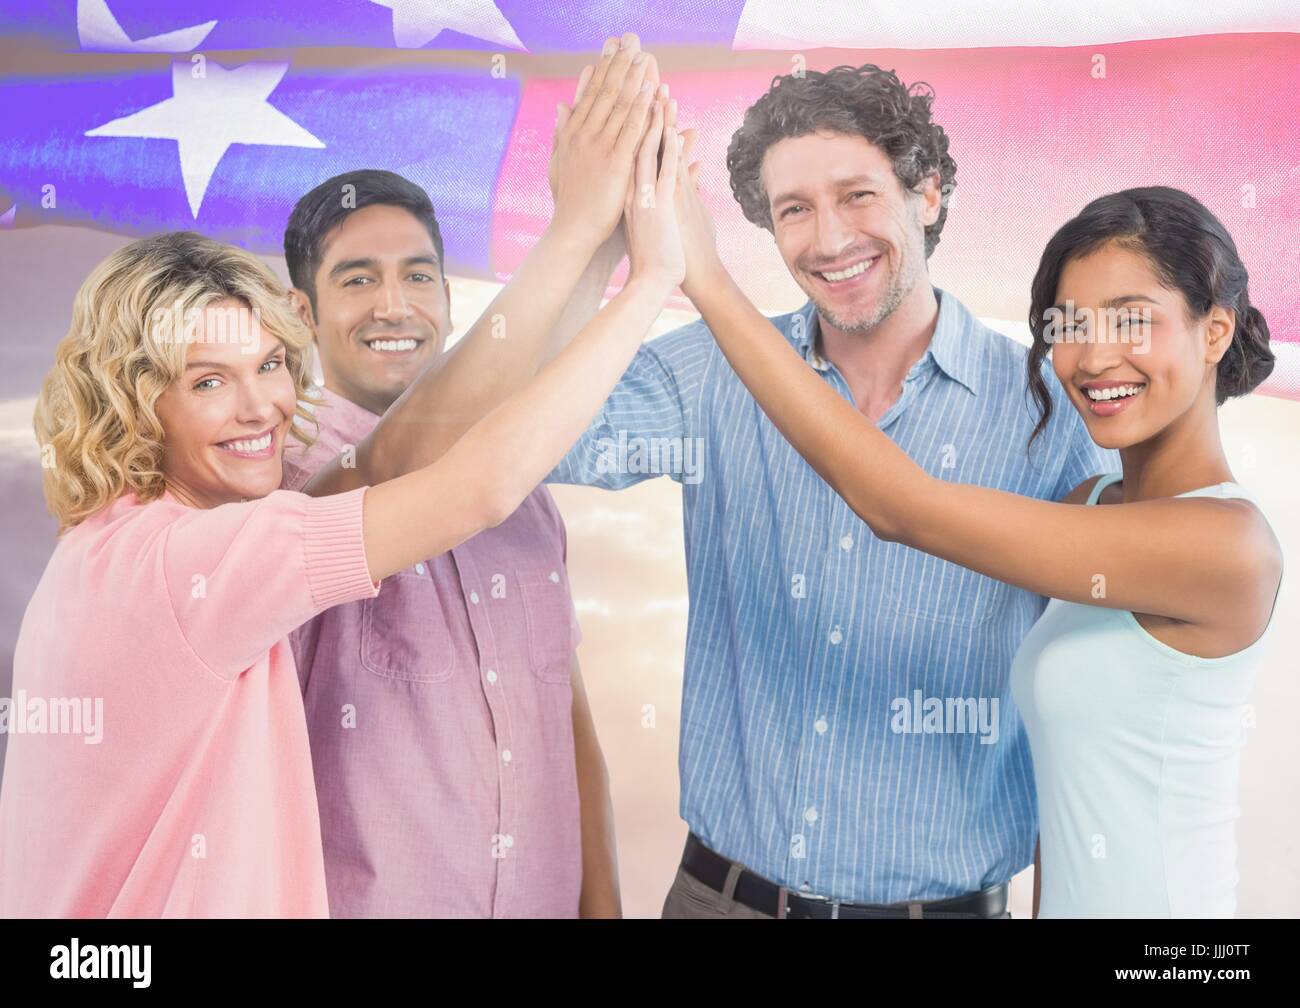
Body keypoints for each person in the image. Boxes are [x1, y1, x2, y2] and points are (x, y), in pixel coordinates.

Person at [0, 84, 682, 917]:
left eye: (267, 367)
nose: (259, 409)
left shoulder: (153, 534)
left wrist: (600, 240)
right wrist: (648, 277)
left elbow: (412, 459)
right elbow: (471, 482)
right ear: (137, 396)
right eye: (208, 380)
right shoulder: (196, 557)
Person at [546, 63, 1118, 918]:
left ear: (927, 193)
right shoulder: (705, 371)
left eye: (857, 195)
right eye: (794, 210)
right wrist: (588, 234)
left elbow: (1086, 716)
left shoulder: (1050, 414)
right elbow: (524, 437)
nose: (826, 239)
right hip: (719, 899)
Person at [674, 165, 1284, 917]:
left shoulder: (1226, 544)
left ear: (1214, 329)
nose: (1094, 359)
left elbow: (903, 508)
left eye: (1132, 319)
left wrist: (704, 277)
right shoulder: (1090, 505)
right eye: (1068, 326)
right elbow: (1066, 798)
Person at [276, 35, 657, 918]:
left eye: (419, 276)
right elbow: (403, 468)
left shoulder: (523, 493)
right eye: (357, 279)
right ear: (303, 312)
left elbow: (569, 721)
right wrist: (576, 234)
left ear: (450, 299)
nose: (395, 304)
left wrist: (611, 239)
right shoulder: (288, 484)